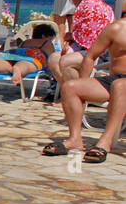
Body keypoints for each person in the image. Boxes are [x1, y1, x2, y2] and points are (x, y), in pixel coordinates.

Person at [42, 17, 126, 163]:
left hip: (120, 84)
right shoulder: (116, 28)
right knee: (71, 87)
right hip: (115, 79)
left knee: (120, 85)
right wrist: (84, 80)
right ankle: (75, 139)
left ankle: (105, 142)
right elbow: (90, 56)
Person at [49, 0, 116, 87]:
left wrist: (69, 37)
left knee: (63, 62)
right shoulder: (102, 4)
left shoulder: (85, 7)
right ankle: (67, 92)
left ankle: (77, 93)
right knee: (54, 59)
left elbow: (84, 36)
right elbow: (85, 32)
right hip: (100, 51)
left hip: (98, 53)